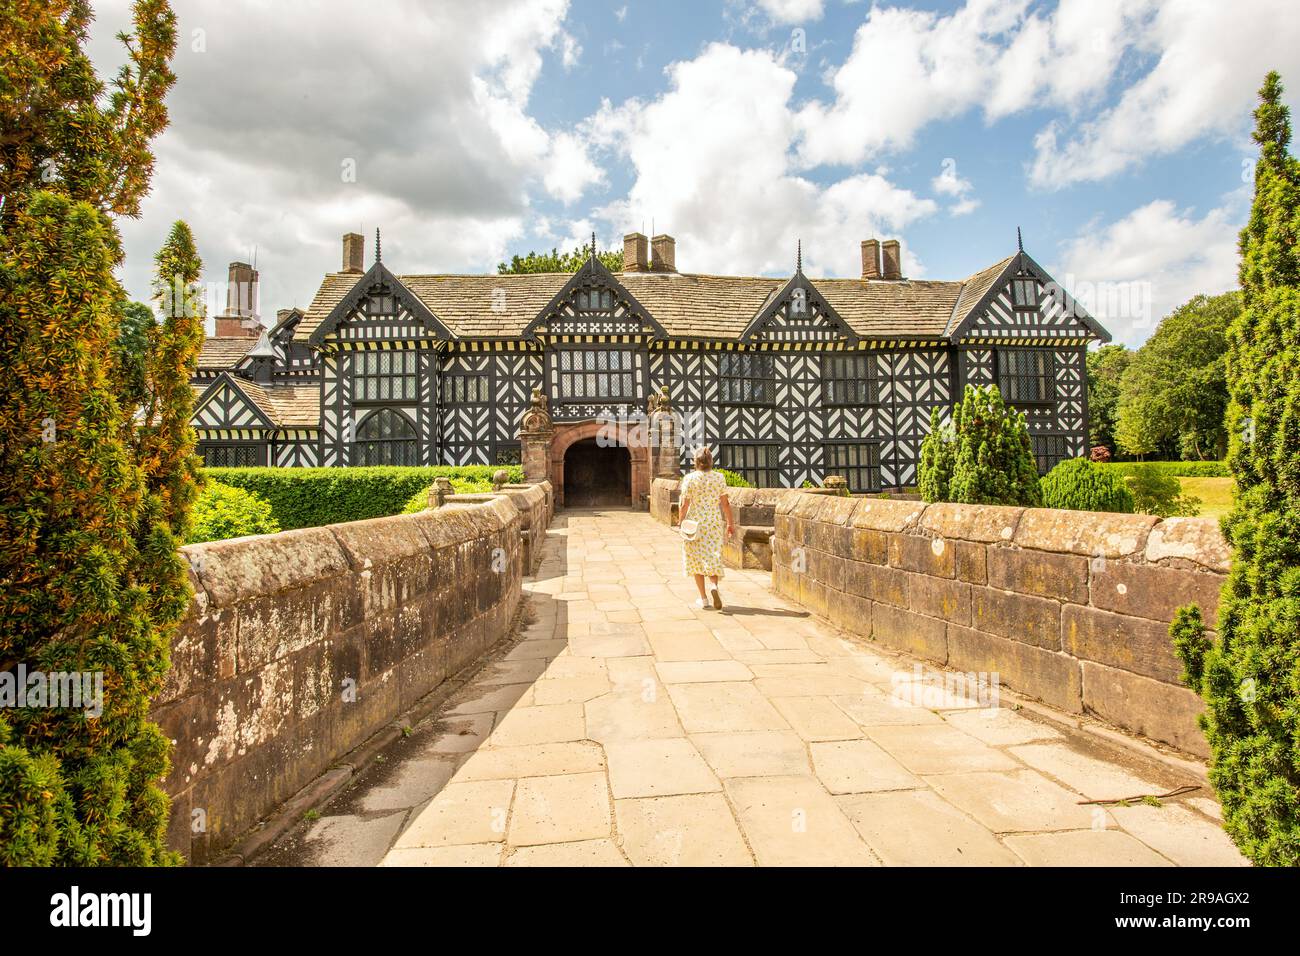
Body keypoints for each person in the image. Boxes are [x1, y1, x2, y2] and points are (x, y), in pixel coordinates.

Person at [676, 446, 735, 610]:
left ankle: (703, 598)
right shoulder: (719, 478)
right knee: (713, 555)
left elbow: (684, 504)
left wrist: (680, 521)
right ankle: (714, 586)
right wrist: (730, 523)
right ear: (711, 462)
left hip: (694, 523)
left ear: (696, 462)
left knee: (696, 559)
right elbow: (725, 504)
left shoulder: (689, 478)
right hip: (714, 522)